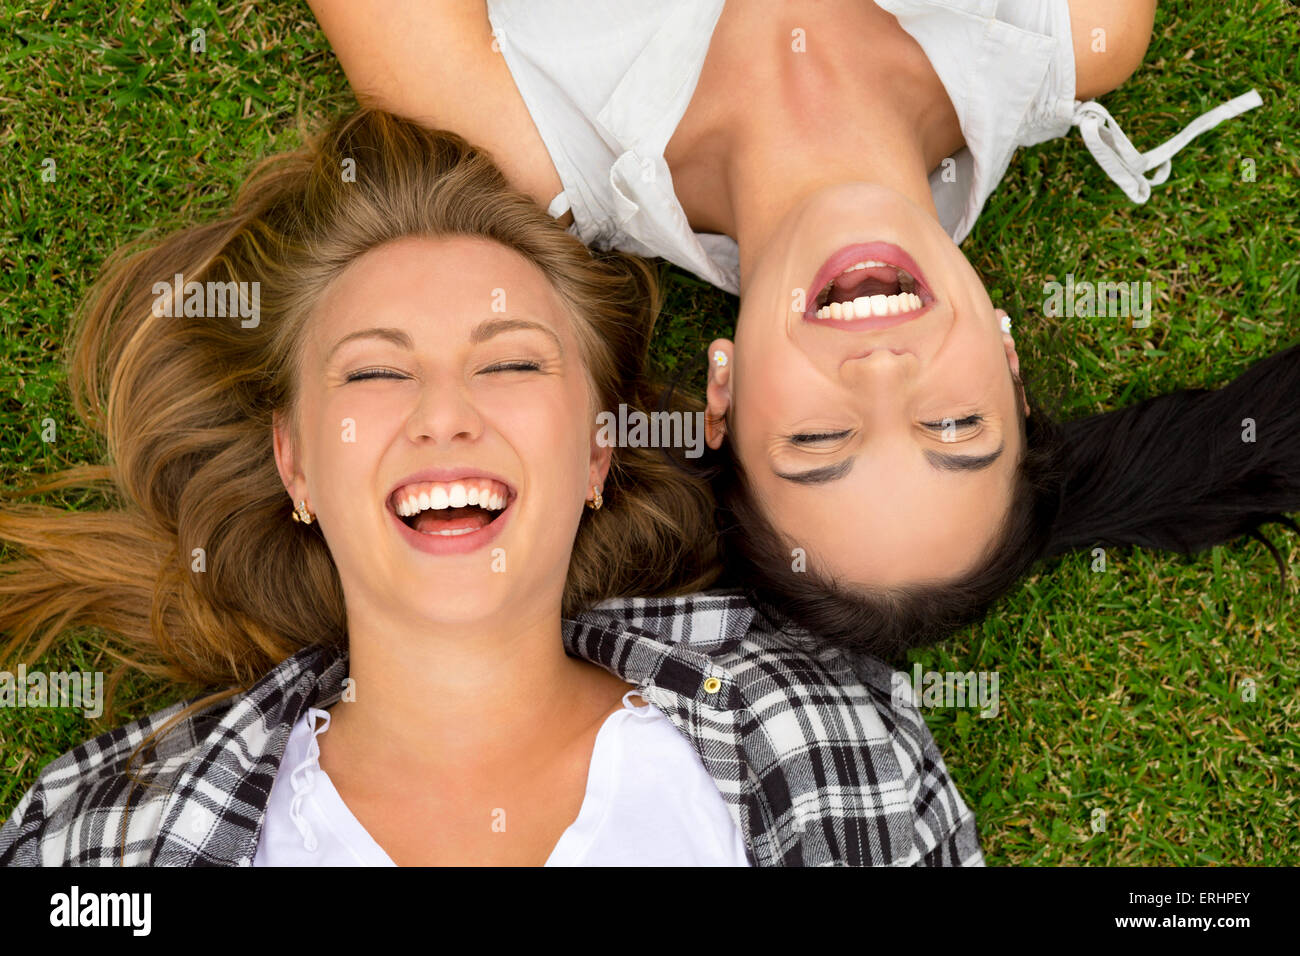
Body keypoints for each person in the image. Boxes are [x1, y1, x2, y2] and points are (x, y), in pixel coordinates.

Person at [0, 108, 982, 866]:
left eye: (511, 365)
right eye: (375, 373)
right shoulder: (97, 840)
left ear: (596, 451)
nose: (445, 413)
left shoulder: (836, 743)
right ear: (296, 464)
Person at [305, 0, 1290, 655]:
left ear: (722, 397)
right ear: (1005, 356)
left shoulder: (511, 130)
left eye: (820, 441)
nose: (880, 371)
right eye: (953, 425)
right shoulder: (1075, 22)